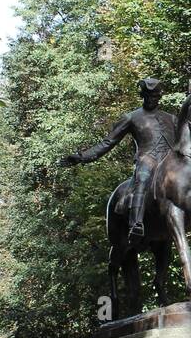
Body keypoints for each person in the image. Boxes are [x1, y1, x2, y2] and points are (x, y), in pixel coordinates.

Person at [61, 77, 174, 242]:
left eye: (155, 96)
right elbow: (108, 142)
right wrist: (81, 157)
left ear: (159, 97)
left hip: (171, 164)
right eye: (148, 96)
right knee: (142, 177)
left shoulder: (171, 118)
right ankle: (136, 223)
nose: (151, 99)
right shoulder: (131, 118)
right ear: (143, 95)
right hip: (147, 159)